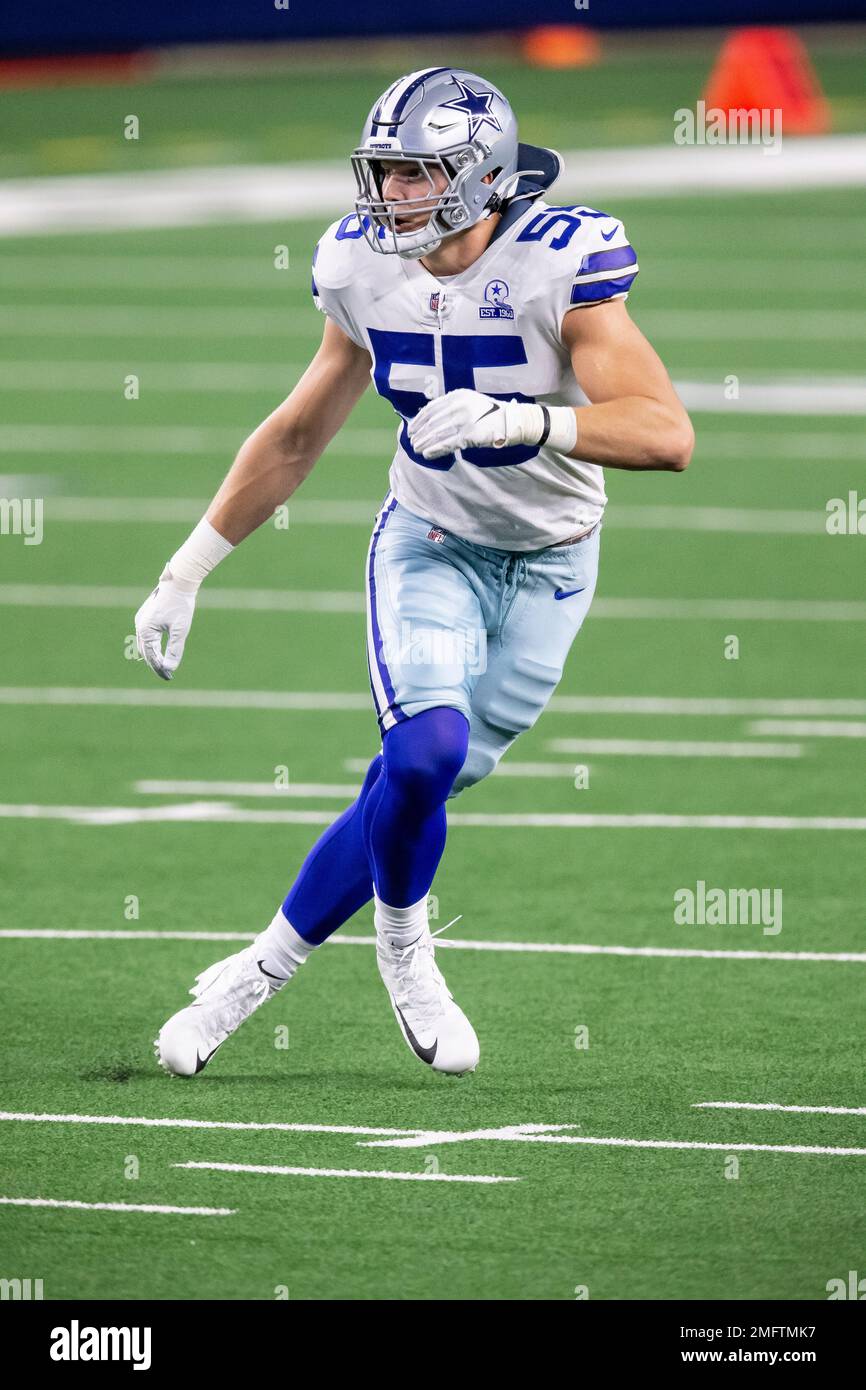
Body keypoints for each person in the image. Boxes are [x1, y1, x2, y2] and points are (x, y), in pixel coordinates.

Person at [136, 67, 693, 1079]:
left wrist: (528, 418)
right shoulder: (359, 267)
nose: (388, 194)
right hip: (428, 539)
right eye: (382, 171)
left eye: (413, 173)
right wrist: (189, 566)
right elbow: (301, 428)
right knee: (426, 752)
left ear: (478, 176)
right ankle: (373, 957)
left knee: (419, 777)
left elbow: (665, 435)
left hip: (554, 558)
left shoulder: (558, 262)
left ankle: (268, 958)